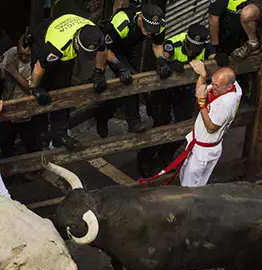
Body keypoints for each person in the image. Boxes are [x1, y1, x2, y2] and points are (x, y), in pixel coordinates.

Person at [139, 24, 216, 177]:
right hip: (166, 91)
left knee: (184, 125)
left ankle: (166, 154)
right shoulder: (173, 44)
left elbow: (214, 62)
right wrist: (168, 66)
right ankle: (145, 157)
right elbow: (161, 60)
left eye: (196, 48)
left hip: (186, 91)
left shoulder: (206, 48)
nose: (192, 51)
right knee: (161, 123)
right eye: (190, 47)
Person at [29, 14, 108, 150]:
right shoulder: (57, 45)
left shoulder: (96, 35)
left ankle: (60, 133)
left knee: (62, 89)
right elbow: (38, 68)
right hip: (44, 43)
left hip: (66, 53)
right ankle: (41, 136)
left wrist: (99, 72)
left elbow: (102, 51)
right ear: (76, 40)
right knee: (43, 94)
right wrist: (35, 88)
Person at [97, 4, 167, 137]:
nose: (150, 32)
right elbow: (104, 49)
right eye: (147, 28)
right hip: (113, 49)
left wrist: (161, 60)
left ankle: (102, 114)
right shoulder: (120, 23)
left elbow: (157, 44)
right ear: (140, 18)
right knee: (131, 79)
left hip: (132, 46)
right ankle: (133, 121)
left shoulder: (159, 24)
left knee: (127, 84)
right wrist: (119, 66)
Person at [179, 63, 241, 187]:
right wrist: (203, 75)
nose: (212, 87)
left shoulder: (226, 104)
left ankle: (190, 205)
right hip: (199, 145)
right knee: (186, 176)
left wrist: (202, 103)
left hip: (204, 151)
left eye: (216, 85)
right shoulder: (223, 87)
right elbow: (200, 91)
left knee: (190, 186)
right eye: (212, 82)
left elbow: (211, 128)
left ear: (229, 87)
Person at [0, 35, 38, 157]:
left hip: (26, 110)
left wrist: (15, 74)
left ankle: (35, 168)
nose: (24, 57)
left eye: (27, 55)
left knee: (31, 141)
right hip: (7, 105)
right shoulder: (11, 53)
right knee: (6, 142)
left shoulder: (37, 62)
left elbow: (33, 89)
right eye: (21, 54)